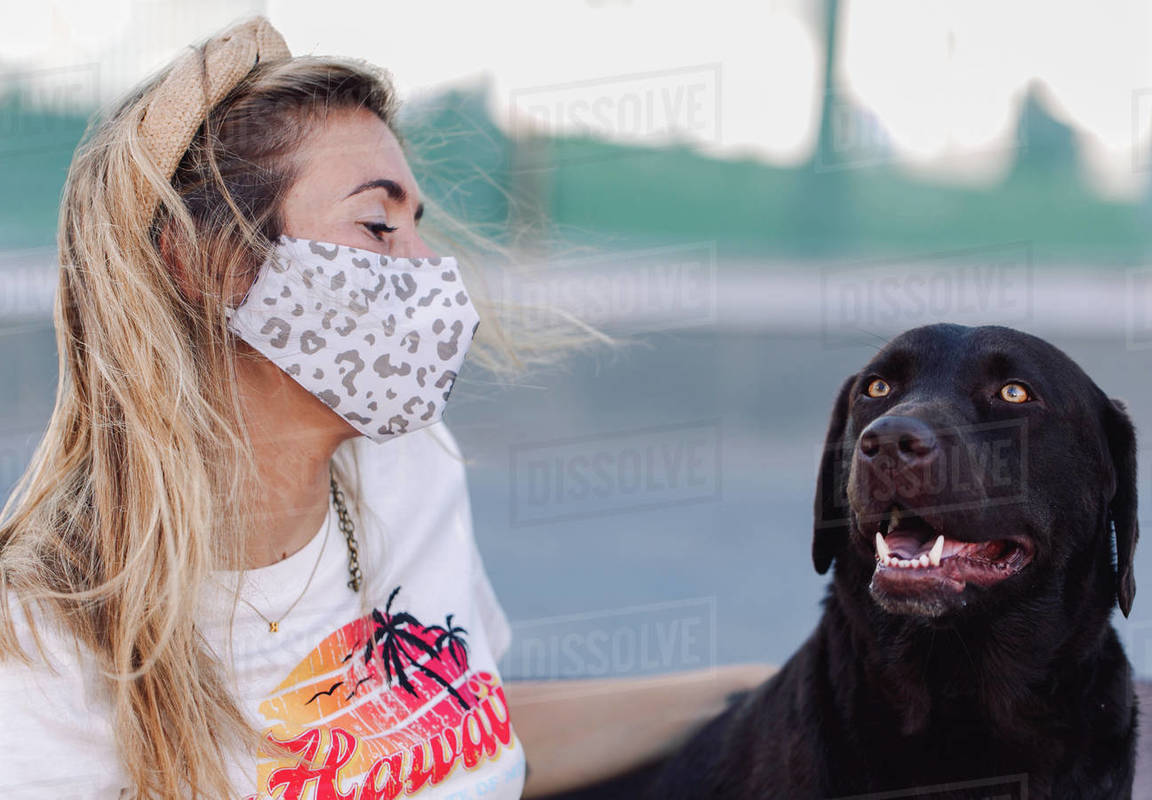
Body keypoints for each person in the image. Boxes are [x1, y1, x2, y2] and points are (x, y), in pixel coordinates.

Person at [0, 16, 773, 800]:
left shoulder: (411, 466)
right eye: (378, 225)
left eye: (416, 227)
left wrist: (769, 692)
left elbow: (467, 733)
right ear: (214, 264)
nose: (433, 269)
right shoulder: (41, 641)